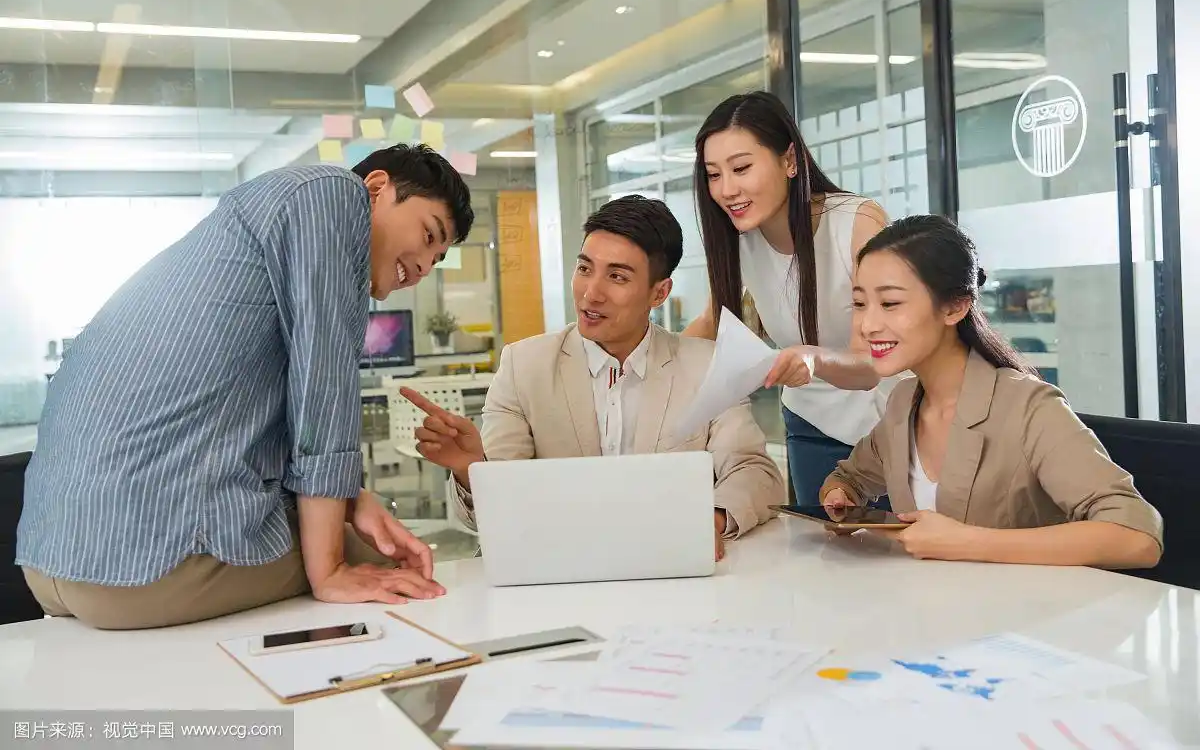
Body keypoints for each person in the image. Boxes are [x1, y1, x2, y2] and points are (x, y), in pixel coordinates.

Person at [16, 143, 475, 629]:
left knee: (356, 531)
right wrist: (330, 570)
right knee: (386, 561)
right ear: (377, 187)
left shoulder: (251, 223)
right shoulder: (335, 195)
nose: (424, 266)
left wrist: (349, 498)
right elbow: (323, 390)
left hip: (52, 560)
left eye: (437, 258)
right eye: (429, 235)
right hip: (142, 566)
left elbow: (226, 412)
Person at [405, 195, 785, 560]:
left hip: (668, 566)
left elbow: (755, 472)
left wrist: (710, 520)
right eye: (585, 269)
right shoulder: (525, 366)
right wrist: (471, 469)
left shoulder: (707, 366)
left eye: (617, 276)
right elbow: (498, 511)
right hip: (556, 568)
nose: (591, 293)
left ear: (659, 293)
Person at [819, 214, 1163, 569]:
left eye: (890, 303)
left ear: (955, 306)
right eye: (860, 304)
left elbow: (1137, 537)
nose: (868, 325)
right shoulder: (904, 401)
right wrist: (839, 495)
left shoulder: (1029, 406)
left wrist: (967, 542)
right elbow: (850, 479)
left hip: (1026, 604)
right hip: (929, 600)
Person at [683, 90, 893, 507]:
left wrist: (812, 359)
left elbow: (872, 364)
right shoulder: (740, 239)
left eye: (741, 168)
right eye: (713, 175)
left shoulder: (857, 223)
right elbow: (711, 323)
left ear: (790, 160)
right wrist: (645, 361)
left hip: (888, 430)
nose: (727, 189)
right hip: (809, 425)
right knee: (816, 544)